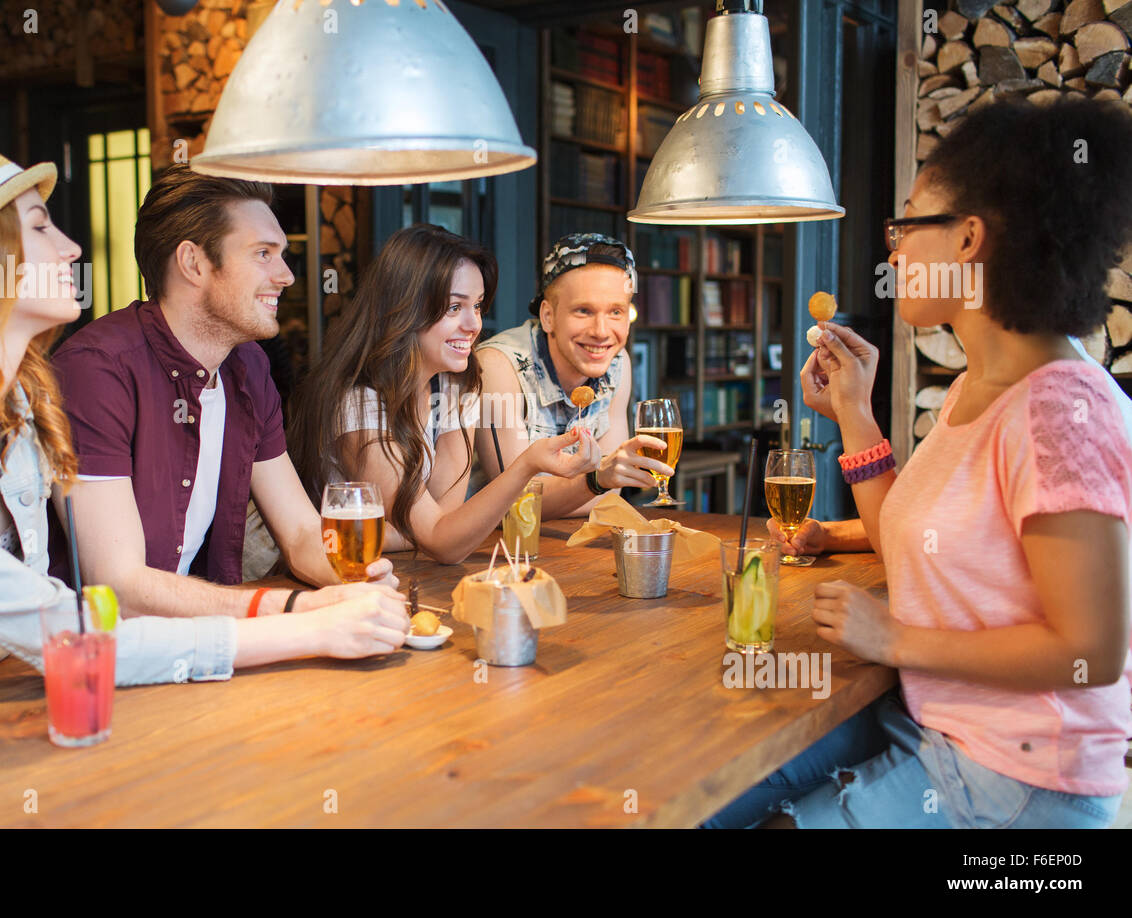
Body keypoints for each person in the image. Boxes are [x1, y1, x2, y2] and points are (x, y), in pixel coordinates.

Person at [0, 133, 408, 720]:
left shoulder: (22, 415)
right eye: (39, 227)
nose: (70, 246)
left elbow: (11, 610)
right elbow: (74, 629)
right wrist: (304, 624)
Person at [706, 97, 1132, 828]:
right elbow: (921, 536)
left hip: (1017, 777)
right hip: (930, 719)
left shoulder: (1060, 413)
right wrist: (853, 414)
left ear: (969, 239)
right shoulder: (977, 387)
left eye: (906, 224)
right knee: (708, 797)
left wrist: (894, 638)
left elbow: (1090, 651)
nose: (893, 252)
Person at [49, 165, 400, 629]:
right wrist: (292, 609)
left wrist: (355, 581)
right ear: (193, 263)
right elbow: (117, 585)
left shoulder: (248, 367)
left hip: (198, 644)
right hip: (89, 662)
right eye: (263, 254)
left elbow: (298, 533)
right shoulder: (96, 369)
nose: (287, 276)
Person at [289, 223, 600, 564]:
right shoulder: (361, 403)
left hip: (388, 570)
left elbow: (446, 525)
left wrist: (403, 536)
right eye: (454, 308)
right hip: (308, 581)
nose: (473, 325)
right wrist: (527, 464)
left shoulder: (454, 386)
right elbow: (444, 542)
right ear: (404, 308)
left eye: (478, 306)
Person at [475, 233, 675, 518]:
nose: (602, 331)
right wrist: (596, 481)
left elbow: (610, 494)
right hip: (491, 552)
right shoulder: (497, 366)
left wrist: (598, 483)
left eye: (616, 312)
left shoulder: (618, 363)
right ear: (548, 316)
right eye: (584, 310)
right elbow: (516, 505)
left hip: (569, 542)